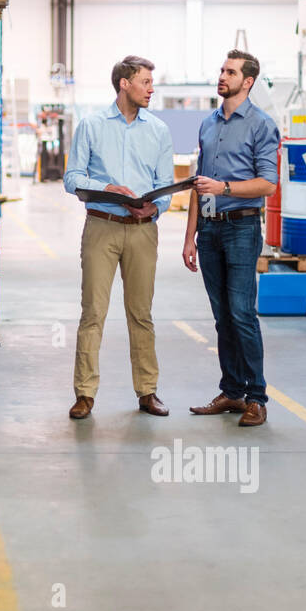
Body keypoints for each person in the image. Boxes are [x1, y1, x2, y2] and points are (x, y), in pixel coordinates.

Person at [63, 55, 175, 420]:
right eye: (145, 81)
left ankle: (147, 391)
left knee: (141, 314)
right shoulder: (92, 126)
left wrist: (154, 208)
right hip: (102, 226)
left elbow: (164, 187)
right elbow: (72, 177)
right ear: (124, 83)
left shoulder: (158, 130)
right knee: (93, 312)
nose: (151, 89)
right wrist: (105, 187)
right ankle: (85, 393)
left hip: (143, 231)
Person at [182, 50, 280, 427]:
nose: (222, 76)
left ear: (248, 81)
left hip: (241, 227)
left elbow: (268, 184)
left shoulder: (261, 124)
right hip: (208, 229)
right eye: (222, 70)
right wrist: (190, 236)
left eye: (231, 72)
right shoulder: (208, 123)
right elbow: (198, 184)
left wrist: (223, 186)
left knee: (242, 315)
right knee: (222, 317)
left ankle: (257, 397)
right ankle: (232, 391)